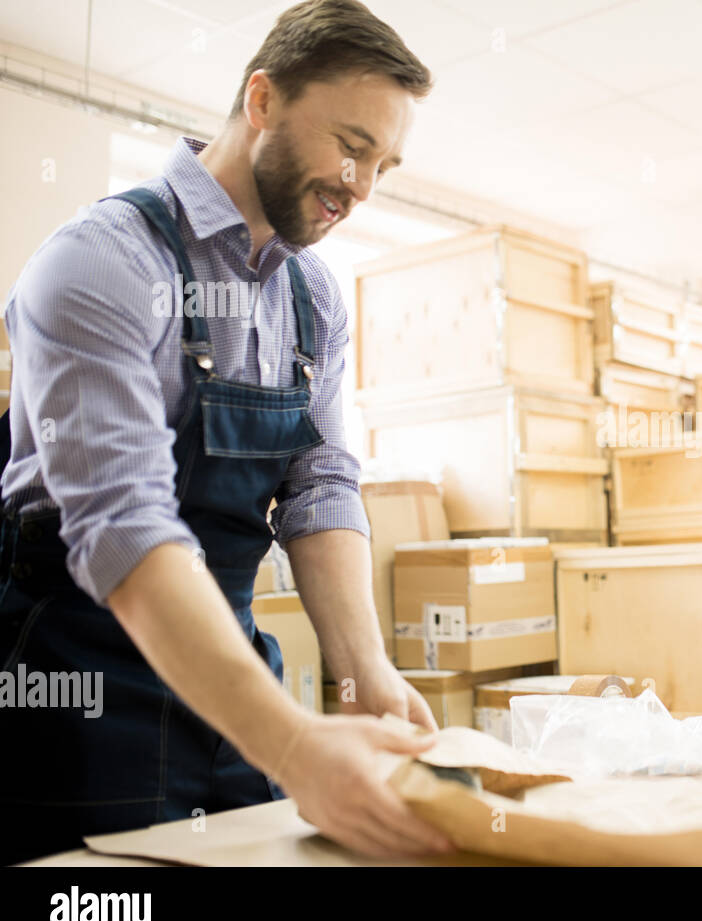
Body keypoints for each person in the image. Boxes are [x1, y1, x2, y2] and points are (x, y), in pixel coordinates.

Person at [0, 0, 454, 864]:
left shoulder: (314, 299)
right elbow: (124, 524)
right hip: (79, 698)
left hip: (233, 690)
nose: (361, 186)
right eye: (352, 146)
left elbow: (320, 487)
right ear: (261, 101)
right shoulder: (101, 261)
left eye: (384, 166)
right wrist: (291, 742)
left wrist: (363, 677)